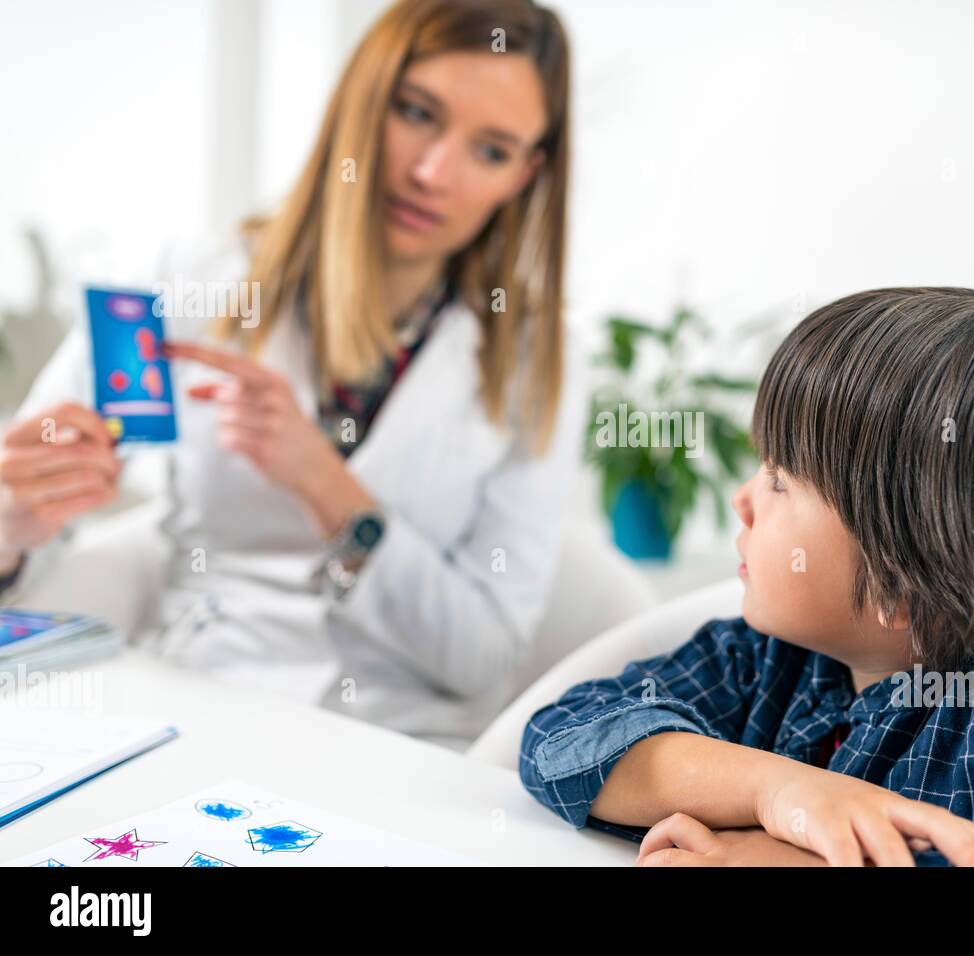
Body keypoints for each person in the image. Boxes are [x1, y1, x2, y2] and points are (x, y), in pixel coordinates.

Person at [0, 0, 581, 748]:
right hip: (195, 712)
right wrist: (12, 524)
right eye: (416, 112)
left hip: (404, 744)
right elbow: (25, 530)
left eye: (491, 151)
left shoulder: (534, 358)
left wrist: (327, 487)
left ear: (525, 175)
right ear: (361, 98)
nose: (432, 173)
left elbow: (483, 659)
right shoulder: (188, 284)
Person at [520, 287, 974, 866]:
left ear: (900, 580)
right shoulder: (760, 662)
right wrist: (783, 794)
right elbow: (563, 739)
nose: (743, 500)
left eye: (780, 481)